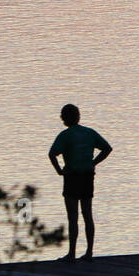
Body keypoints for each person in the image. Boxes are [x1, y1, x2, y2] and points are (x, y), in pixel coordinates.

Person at [47, 103, 112, 261]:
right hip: (87, 175)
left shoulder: (65, 135)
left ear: (65, 118)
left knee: (72, 216)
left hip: (72, 176)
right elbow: (107, 148)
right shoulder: (89, 133)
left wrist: (59, 171)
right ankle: (89, 252)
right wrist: (93, 162)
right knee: (87, 214)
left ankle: (72, 253)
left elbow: (52, 154)